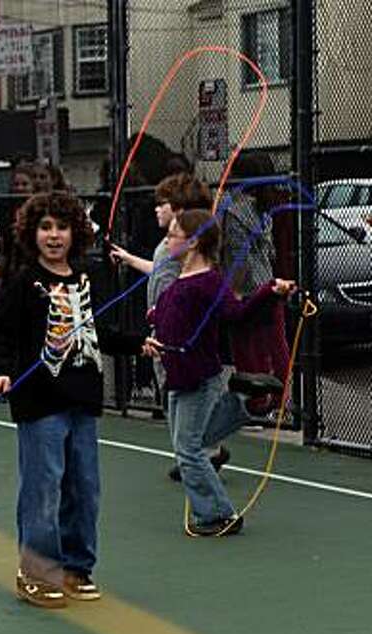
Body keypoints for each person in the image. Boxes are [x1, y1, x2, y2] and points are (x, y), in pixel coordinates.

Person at [0, 192, 148, 609]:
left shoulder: (87, 278)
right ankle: (37, 572)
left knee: (84, 486)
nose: (54, 236)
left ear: (75, 232)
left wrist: (139, 343)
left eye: (61, 227)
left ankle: (77, 566)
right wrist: (2, 371)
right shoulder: (23, 282)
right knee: (43, 487)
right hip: (39, 401)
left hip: (83, 399)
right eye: (45, 227)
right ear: (32, 233)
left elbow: (100, 332)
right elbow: (1, 333)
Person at [147, 209, 295, 537]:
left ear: (194, 242)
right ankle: (241, 402)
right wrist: (155, 326)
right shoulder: (180, 281)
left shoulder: (209, 281)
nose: (168, 240)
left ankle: (218, 514)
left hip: (198, 376)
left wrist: (269, 290)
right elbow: (169, 317)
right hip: (178, 374)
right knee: (190, 444)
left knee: (189, 450)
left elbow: (236, 313)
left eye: (174, 235)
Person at [109, 172, 227, 480]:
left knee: (186, 393)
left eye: (162, 204)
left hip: (176, 332)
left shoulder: (184, 244)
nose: (156, 209)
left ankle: (203, 451)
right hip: (161, 325)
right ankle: (196, 451)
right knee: (172, 392)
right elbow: (159, 269)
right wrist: (129, 259)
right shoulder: (170, 245)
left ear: (178, 208)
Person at [221, 152, 291, 415]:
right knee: (275, 342)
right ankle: (279, 398)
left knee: (245, 344)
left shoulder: (234, 210)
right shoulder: (264, 207)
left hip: (247, 288)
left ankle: (255, 399)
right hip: (268, 282)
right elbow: (270, 251)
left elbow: (237, 256)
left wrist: (235, 292)